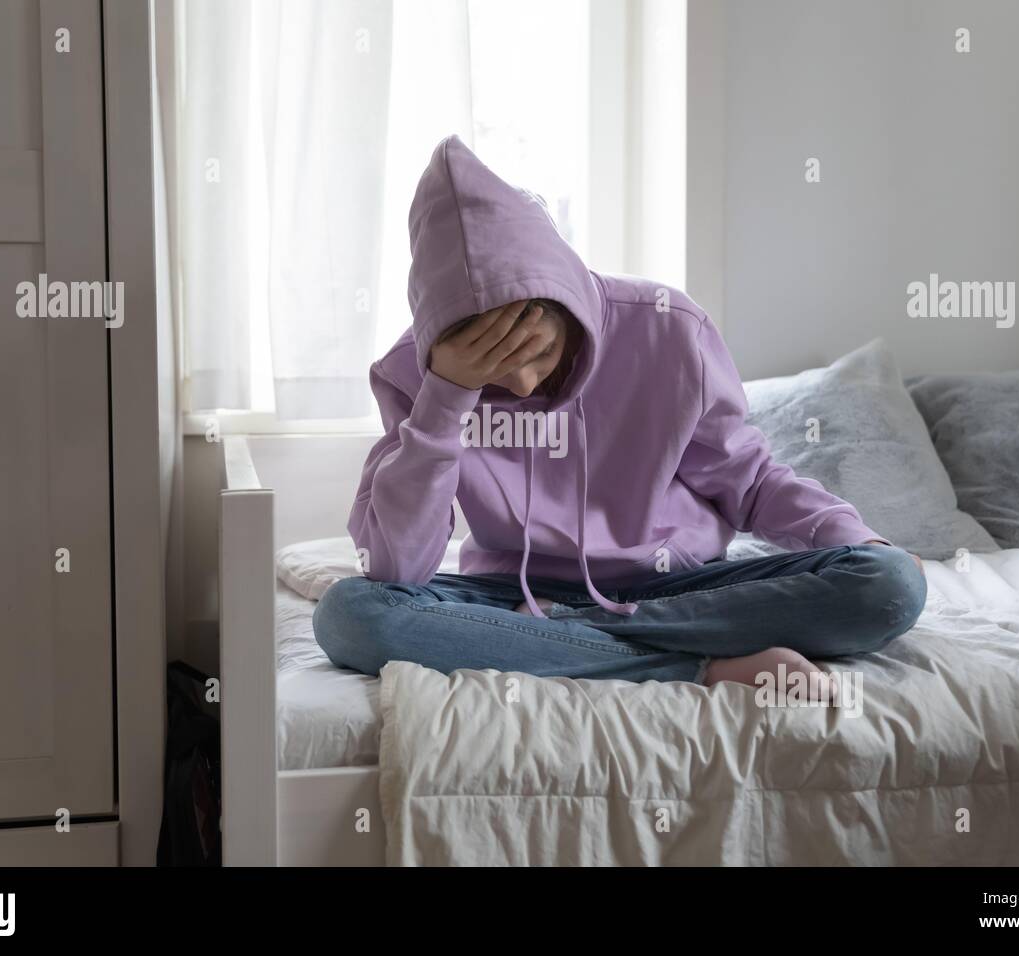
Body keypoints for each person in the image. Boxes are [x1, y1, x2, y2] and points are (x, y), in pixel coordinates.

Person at [313, 135, 926, 688]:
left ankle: (558, 633)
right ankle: (693, 667)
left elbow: (751, 482)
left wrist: (858, 538)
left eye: (541, 353)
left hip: (677, 586)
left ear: (570, 309)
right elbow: (396, 565)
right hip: (509, 593)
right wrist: (446, 398)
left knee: (889, 585)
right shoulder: (411, 373)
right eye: (492, 369)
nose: (524, 385)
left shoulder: (666, 328)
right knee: (351, 616)